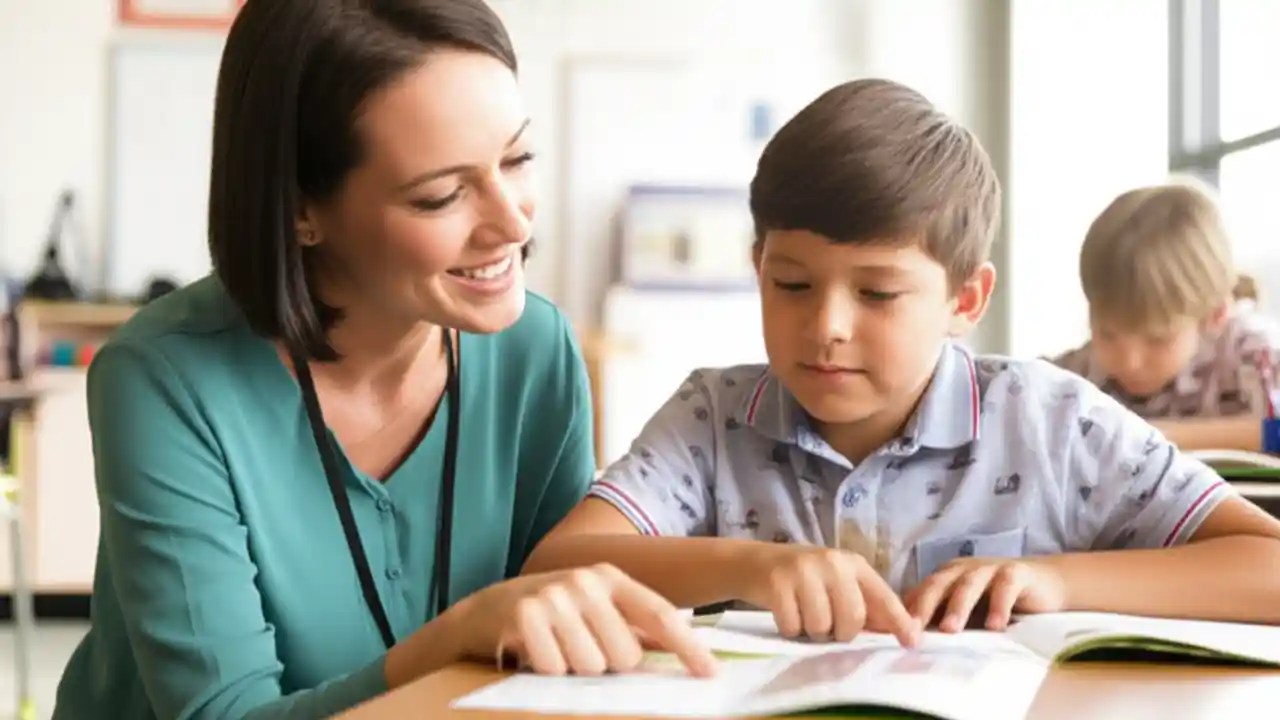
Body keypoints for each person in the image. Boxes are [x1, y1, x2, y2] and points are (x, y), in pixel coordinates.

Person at [53, 2, 712, 718]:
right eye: (441, 195)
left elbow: (558, 649)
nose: (515, 222)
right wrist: (458, 637)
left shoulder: (536, 350)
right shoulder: (163, 380)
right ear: (302, 210)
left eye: (517, 158)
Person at [524, 79, 1280, 645]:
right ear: (758, 266)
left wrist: (1059, 580)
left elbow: (1265, 566)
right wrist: (750, 567)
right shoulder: (712, 419)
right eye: (791, 284)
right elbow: (556, 566)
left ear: (966, 298)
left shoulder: (1052, 418)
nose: (826, 327)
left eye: (879, 294)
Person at [1052, 180, 1280, 451]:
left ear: (1214, 315)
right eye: (1107, 334)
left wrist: (1155, 436)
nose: (1129, 362)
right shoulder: (1080, 372)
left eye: (1158, 339)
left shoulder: (1256, 357)